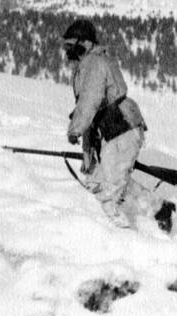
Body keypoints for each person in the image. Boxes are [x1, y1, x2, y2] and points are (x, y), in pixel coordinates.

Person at [63, 19, 171, 230]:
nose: (67, 51)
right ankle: (159, 208)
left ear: (82, 43)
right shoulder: (89, 63)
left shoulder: (94, 63)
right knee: (103, 179)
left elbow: (89, 101)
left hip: (121, 129)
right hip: (114, 130)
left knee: (108, 195)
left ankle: (121, 240)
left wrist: (75, 129)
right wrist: (88, 151)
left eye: (70, 45)